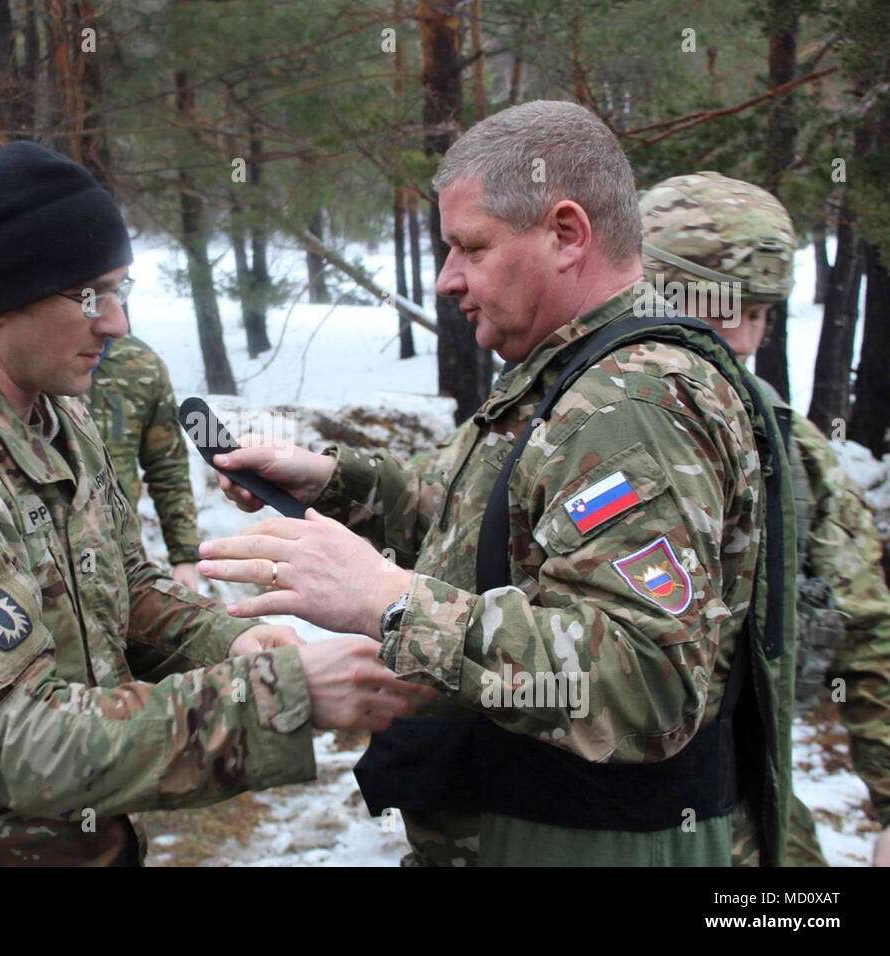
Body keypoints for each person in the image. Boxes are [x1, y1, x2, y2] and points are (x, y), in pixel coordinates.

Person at [197, 99, 796, 866]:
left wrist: (392, 602)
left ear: (567, 234)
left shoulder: (631, 405)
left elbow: (646, 685)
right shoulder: (569, 371)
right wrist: (327, 481)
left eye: (469, 248)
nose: (447, 280)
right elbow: (483, 515)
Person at [0, 141, 425, 866]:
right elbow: (23, 742)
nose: (117, 323)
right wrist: (278, 694)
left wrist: (225, 642)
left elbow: (121, 586)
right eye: (91, 295)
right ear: (1, 296)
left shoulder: (53, 420)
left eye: (121, 291)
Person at [641, 171, 890, 867]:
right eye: (720, 311)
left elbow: (865, 626)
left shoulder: (789, 447)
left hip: (747, 822)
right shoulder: (556, 424)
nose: (742, 340)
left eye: (758, 314)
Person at [83, 334, 202, 590]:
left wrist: (185, 556)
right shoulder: (28, 360)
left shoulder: (141, 365)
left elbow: (168, 466)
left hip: (119, 557)